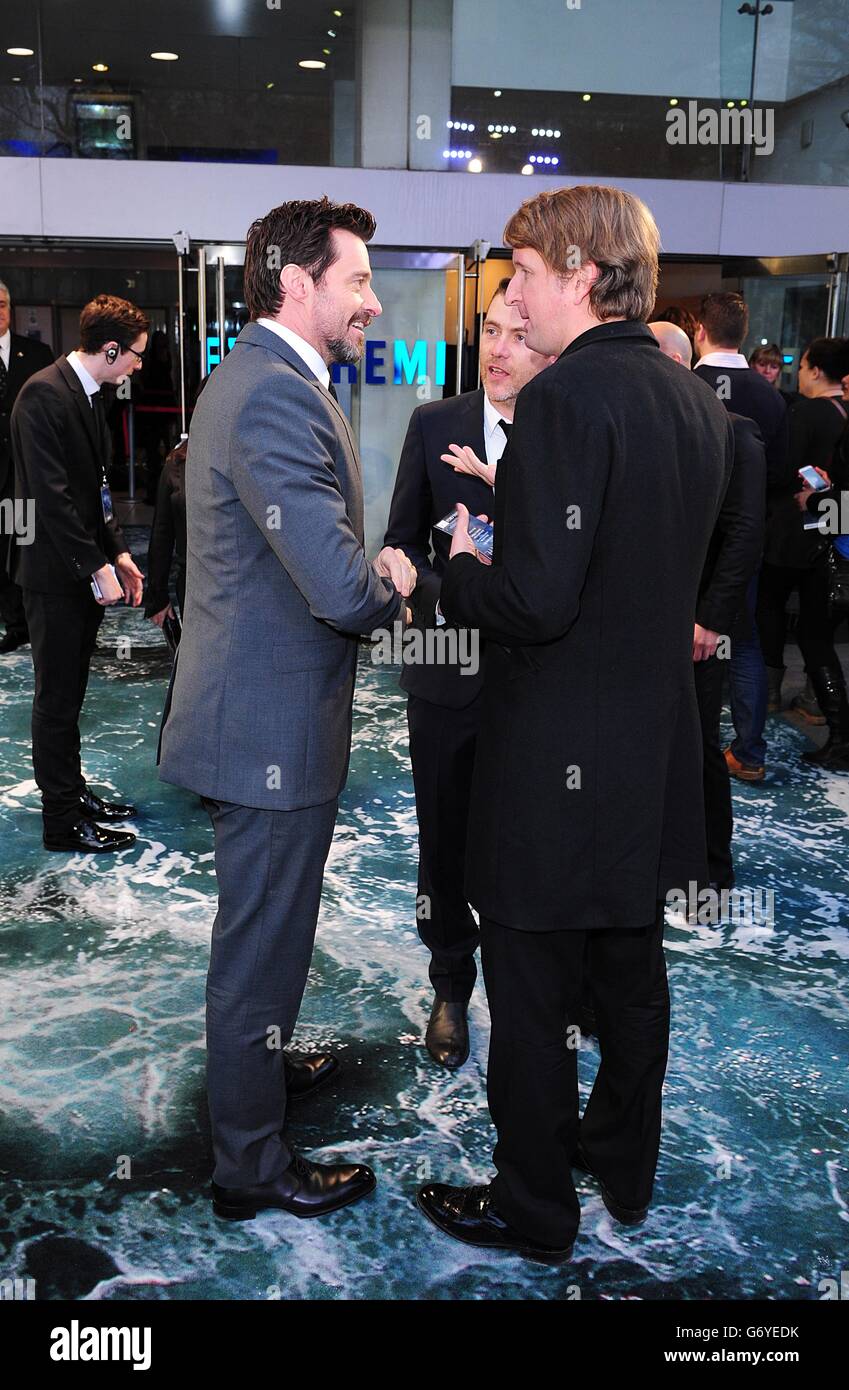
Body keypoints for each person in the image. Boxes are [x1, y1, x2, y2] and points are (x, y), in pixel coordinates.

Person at [415, 184, 734, 1264]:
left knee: (537, 987)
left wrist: (463, 565)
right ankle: (624, 1167)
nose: (513, 295)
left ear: (582, 278)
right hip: (649, 757)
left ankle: (534, 1208)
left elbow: (538, 603)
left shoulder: (565, 400)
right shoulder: (695, 403)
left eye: (525, 274)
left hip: (553, 763)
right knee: (633, 978)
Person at [158, 197, 417, 1223]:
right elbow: (345, 590)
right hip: (264, 733)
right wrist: (391, 572)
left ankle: (257, 1081)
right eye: (358, 280)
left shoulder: (275, 381)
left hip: (268, 722)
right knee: (259, 951)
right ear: (297, 282)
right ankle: (249, 1168)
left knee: (269, 940)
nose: (373, 301)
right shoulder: (272, 395)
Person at [383, 279, 554, 1071]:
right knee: (444, 839)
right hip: (444, 671)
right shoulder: (435, 424)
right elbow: (401, 541)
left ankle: (537, 992)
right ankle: (450, 984)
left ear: (549, 344)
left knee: (529, 842)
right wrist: (436, 577)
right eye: (488, 331)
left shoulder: (567, 432)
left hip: (541, 682)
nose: (497, 349)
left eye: (516, 335)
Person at [11, 294, 147, 853]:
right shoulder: (42, 394)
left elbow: (97, 489)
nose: (139, 364)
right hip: (51, 574)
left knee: (72, 694)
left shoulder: (90, 394)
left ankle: (72, 793)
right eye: (135, 354)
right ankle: (61, 822)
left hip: (80, 568)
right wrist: (94, 565)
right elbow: (51, 499)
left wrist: (116, 552)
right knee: (57, 700)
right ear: (110, 349)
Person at [652, 322, 766, 888]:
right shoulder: (650, 431)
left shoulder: (736, 433)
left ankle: (710, 875)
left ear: (676, 362)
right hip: (646, 620)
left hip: (701, 626)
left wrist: (710, 621)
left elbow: (745, 536)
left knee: (696, 748)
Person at [694, 292, 790, 782]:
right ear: (743, 333)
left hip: (694, 557)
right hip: (748, 547)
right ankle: (749, 751)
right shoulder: (771, 397)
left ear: (699, 331)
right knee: (744, 643)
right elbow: (780, 478)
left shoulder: (684, 389)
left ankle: (695, 754)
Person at [757, 337, 849, 769]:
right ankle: (815, 701)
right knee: (816, 629)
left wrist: (814, 500)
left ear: (813, 370)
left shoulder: (804, 413)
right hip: (829, 538)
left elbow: (781, 470)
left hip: (801, 533)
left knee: (778, 608)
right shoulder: (838, 415)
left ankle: (774, 693)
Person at [0, 279, 54, 653]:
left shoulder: (35, 354)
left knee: (24, 542)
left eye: (1, 304)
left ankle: (30, 620)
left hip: (25, 471)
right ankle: (12, 623)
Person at [144, 433, 187, 632]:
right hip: (193, 583)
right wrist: (157, 595)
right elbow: (162, 533)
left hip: (248, 584)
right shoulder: (177, 463)